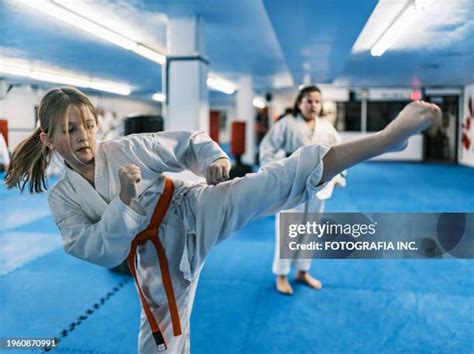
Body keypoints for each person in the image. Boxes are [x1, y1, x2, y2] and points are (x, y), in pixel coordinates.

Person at [4, 87, 441, 354]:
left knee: (273, 182)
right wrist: (124, 202)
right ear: (47, 138)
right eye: (69, 130)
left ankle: (384, 139)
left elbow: (184, 143)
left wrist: (213, 158)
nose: (83, 138)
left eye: (87, 126)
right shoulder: (62, 199)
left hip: (190, 209)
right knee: (158, 342)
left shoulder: (127, 148)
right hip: (154, 260)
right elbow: (100, 251)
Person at [260, 85, 345, 295]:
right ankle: (281, 274)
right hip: (293, 183)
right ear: (299, 103)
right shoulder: (286, 124)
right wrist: (279, 175)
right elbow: (267, 149)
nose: (313, 105)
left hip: (319, 184)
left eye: (317, 101)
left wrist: (337, 177)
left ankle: (302, 271)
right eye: (308, 101)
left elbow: (340, 153)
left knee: (311, 229)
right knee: (289, 227)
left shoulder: (326, 127)